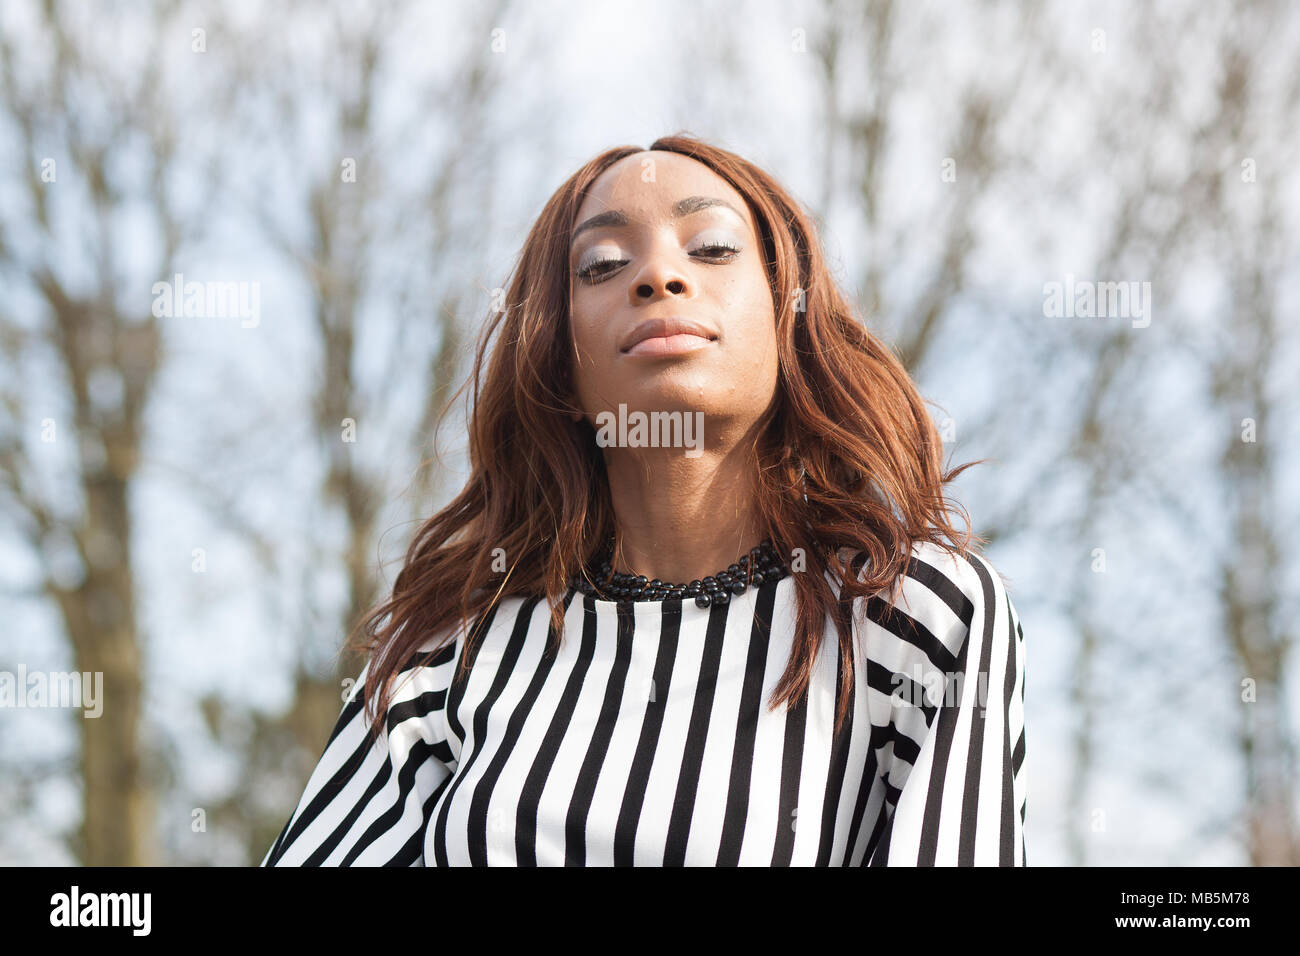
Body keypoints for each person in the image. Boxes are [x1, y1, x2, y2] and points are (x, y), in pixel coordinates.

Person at [261, 134, 1027, 867]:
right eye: (602, 264)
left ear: (788, 317)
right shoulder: (450, 646)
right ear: (558, 356)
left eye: (714, 248)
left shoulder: (912, 613)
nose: (658, 275)